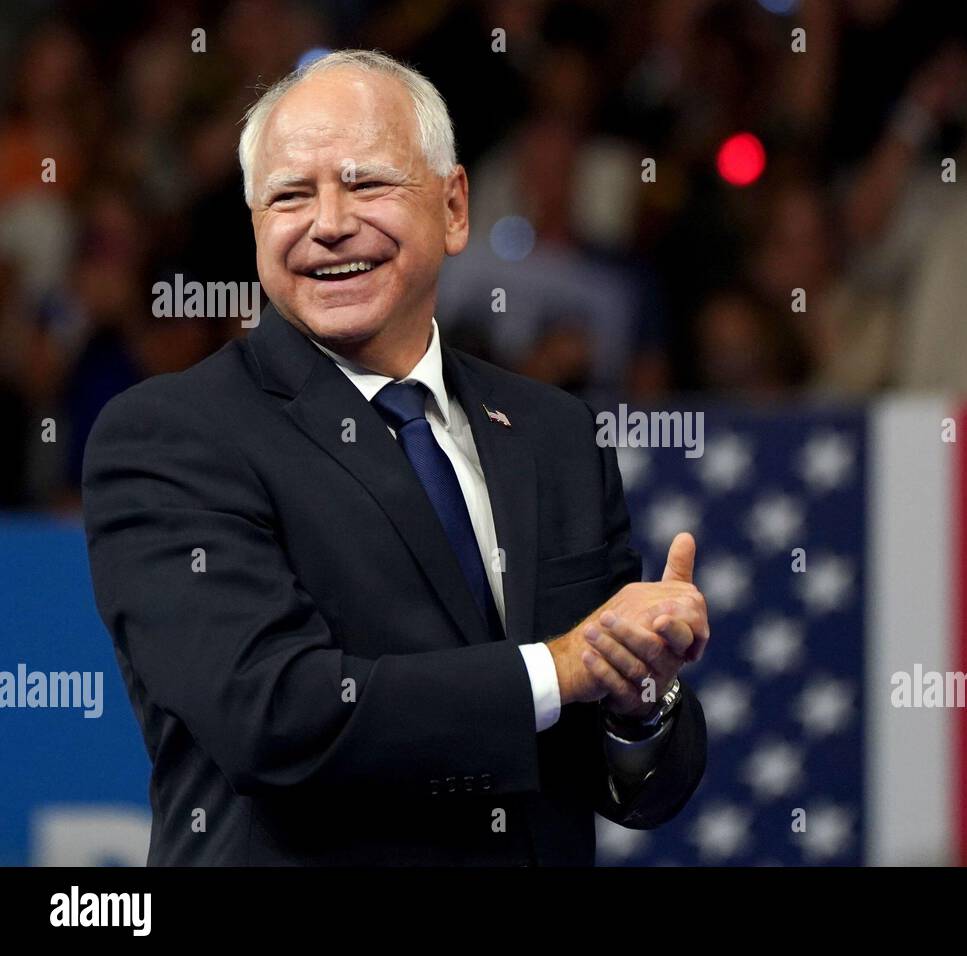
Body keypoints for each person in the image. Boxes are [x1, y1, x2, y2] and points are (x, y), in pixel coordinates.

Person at [81, 50, 709, 866]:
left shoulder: (555, 435)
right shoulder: (170, 437)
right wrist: (562, 665)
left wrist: (637, 700)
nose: (329, 222)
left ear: (453, 207)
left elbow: (628, 779)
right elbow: (274, 716)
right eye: (290, 195)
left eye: (366, 183)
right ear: (254, 225)